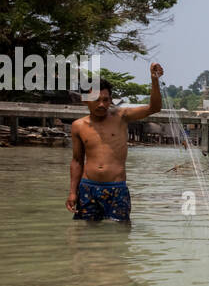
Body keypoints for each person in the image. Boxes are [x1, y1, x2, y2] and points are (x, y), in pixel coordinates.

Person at [67, 64, 164, 222]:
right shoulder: (78, 126)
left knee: (120, 235)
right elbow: (77, 160)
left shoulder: (121, 116)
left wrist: (154, 80)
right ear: (85, 100)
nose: (101, 105)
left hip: (116, 188)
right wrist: (72, 192)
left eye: (106, 100)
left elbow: (154, 107)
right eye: (96, 100)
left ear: (110, 100)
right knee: (85, 234)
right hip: (87, 187)